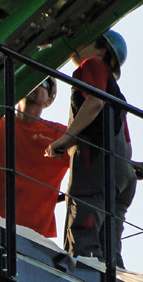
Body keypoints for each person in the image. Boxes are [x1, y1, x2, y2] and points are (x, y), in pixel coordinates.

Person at [46, 30, 137, 268]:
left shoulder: (92, 65)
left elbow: (94, 102)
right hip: (121, 176)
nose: (77, 45)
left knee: (82, 233)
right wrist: (130, 167)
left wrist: (63, 140)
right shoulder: (118, 95)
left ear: (102, 51)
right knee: (110, 245)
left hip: (94, 164)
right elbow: (126, 146)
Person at [0, 78, 70, 238]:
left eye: (45, 83)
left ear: (49, 101)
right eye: (34, 78)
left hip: (34, 235)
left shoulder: (60, 135)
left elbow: (89, 169)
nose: (37, 83)